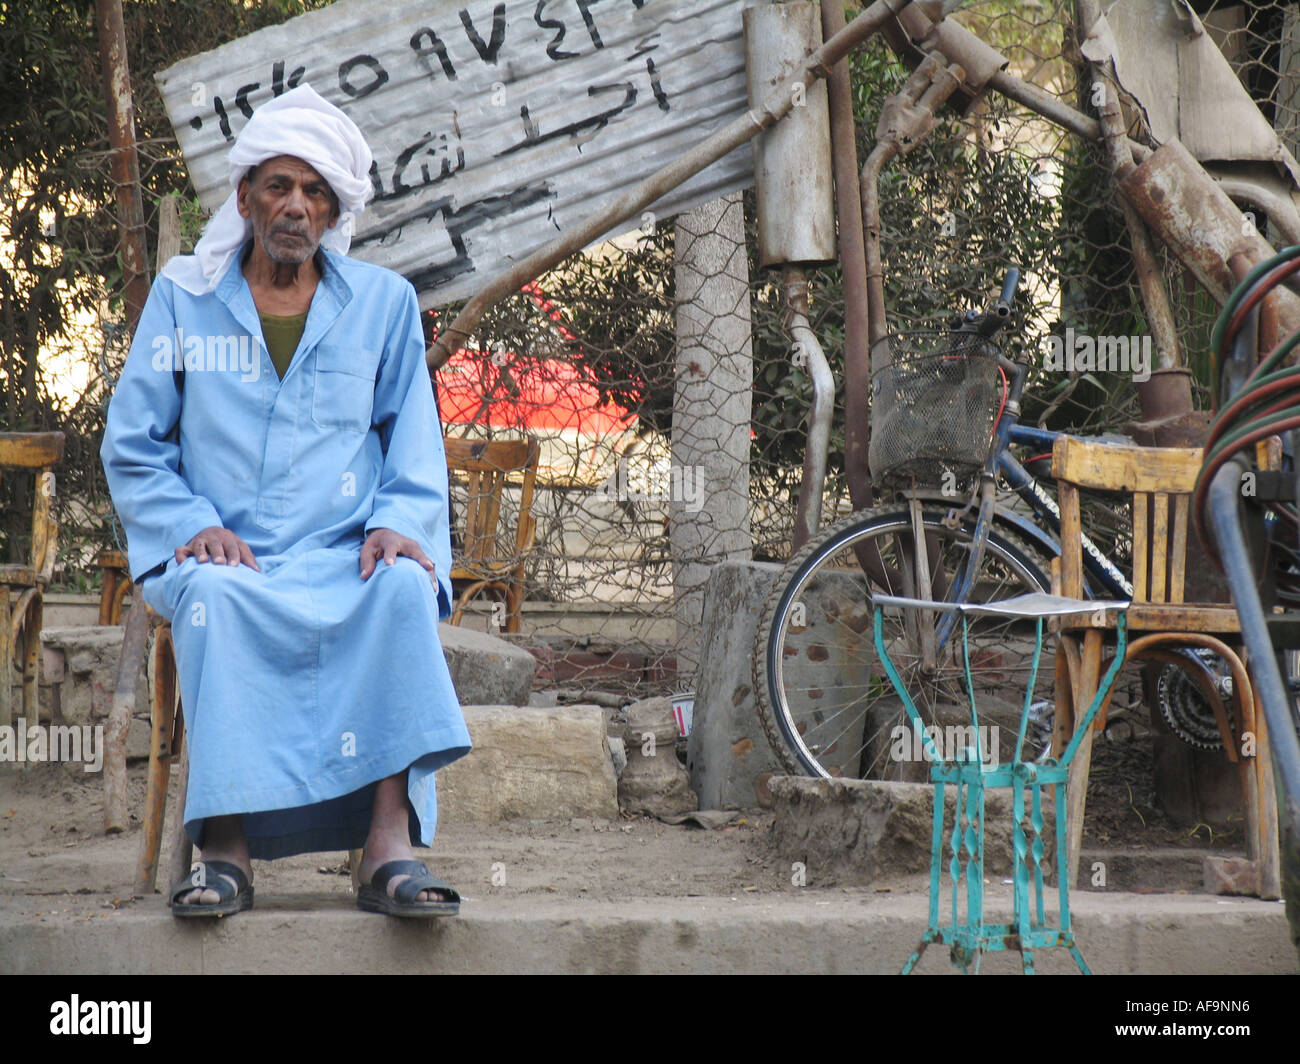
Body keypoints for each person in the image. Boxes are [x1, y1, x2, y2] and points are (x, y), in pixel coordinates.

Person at [100, 84, 471, 919]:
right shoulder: (181, 298)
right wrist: (191, 523)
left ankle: (388, 848)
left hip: (345, 550)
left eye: (313, 191)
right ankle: (224, 851)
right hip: (222, 551)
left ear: (334, 208)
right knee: (216, 601)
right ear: (245, 198)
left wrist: (395, 524)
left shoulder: (382, 303)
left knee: (403, 589)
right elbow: (133, 442)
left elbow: (412, 437)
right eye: (277, 186)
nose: (294, 206)